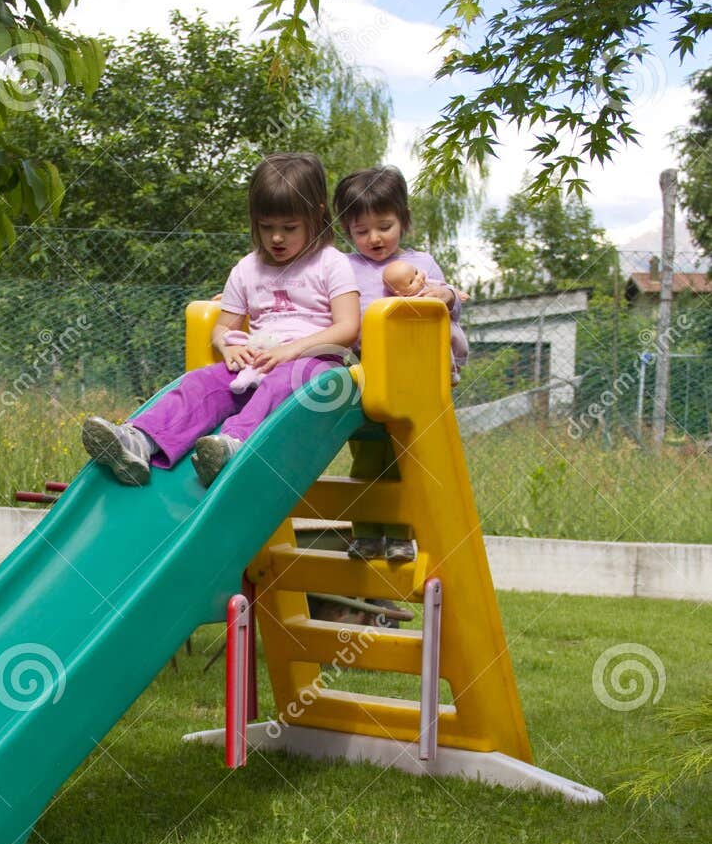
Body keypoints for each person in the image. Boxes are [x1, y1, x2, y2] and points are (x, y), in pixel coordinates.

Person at [81, 153, 360, 489]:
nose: (276, 238)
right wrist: (226, 348)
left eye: (289, 228)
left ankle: (234, 445)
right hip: (253, 365)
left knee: (282, 381)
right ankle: (138, 441)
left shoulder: (331, 263)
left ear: (315, 215)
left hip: (314, 369)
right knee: (199, 383)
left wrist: (293, 351)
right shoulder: (247, 269)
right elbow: (224, 327)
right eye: (266, 226)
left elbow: (347, 327)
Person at [333, 165, 469, 562]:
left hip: (414, 380)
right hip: (367, 376)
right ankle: (365, 534)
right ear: (347, 230)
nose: (374, 238)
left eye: (385, 225)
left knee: (405, 459)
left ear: (404, 220)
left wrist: (445, 295)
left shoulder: (421, 262)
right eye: (362, 231)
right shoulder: (344, 267)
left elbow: (449, 307)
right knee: (366, 457)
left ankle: (397, 536)